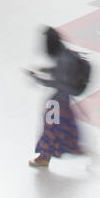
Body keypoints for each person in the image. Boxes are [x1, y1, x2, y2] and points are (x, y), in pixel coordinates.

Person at [28, 27, 85, 168]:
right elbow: (62, 74)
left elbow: (59, 82)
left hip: (58, 102)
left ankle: (44, 157)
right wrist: (47, 70)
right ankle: (75, 149)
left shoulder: (62, 59)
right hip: (64, 101)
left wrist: (38, 79)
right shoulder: (66, 54)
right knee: (65, 128)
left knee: (50, 128)